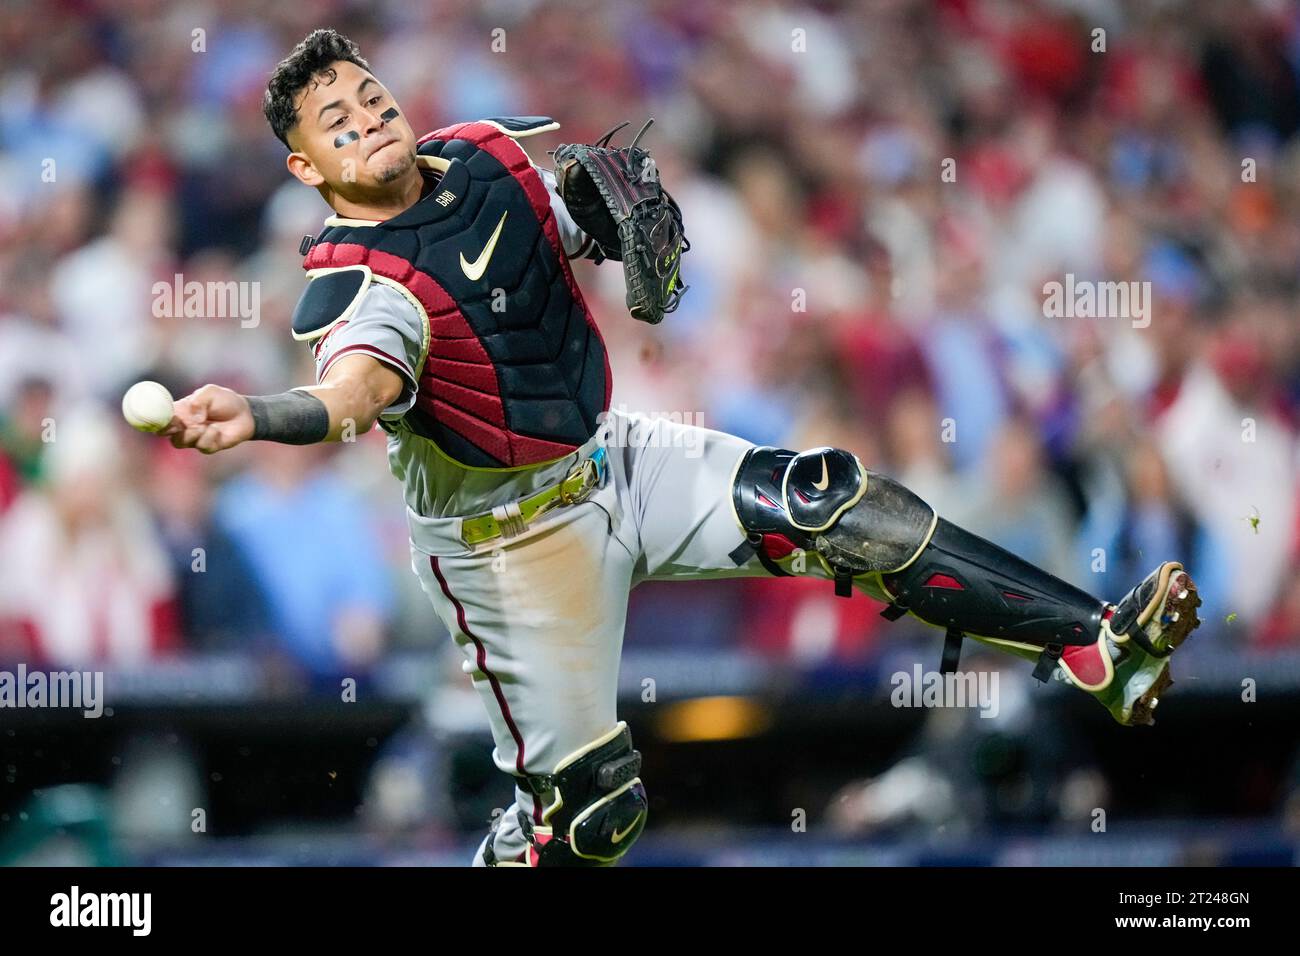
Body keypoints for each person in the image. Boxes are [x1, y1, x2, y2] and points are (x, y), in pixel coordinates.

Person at [159, 29, 1202, 867]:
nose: (367, 117)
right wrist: (253, 415)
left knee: (831, 501)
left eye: (370, 94)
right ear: (305, 166)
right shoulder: (358, 282)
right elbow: (347, 394)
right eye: (335, 120)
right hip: (508, 551)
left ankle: (1096, 645)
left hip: (615, 458)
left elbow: (557, 240)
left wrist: (606, 217)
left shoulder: (485, 156)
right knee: (594, 816)